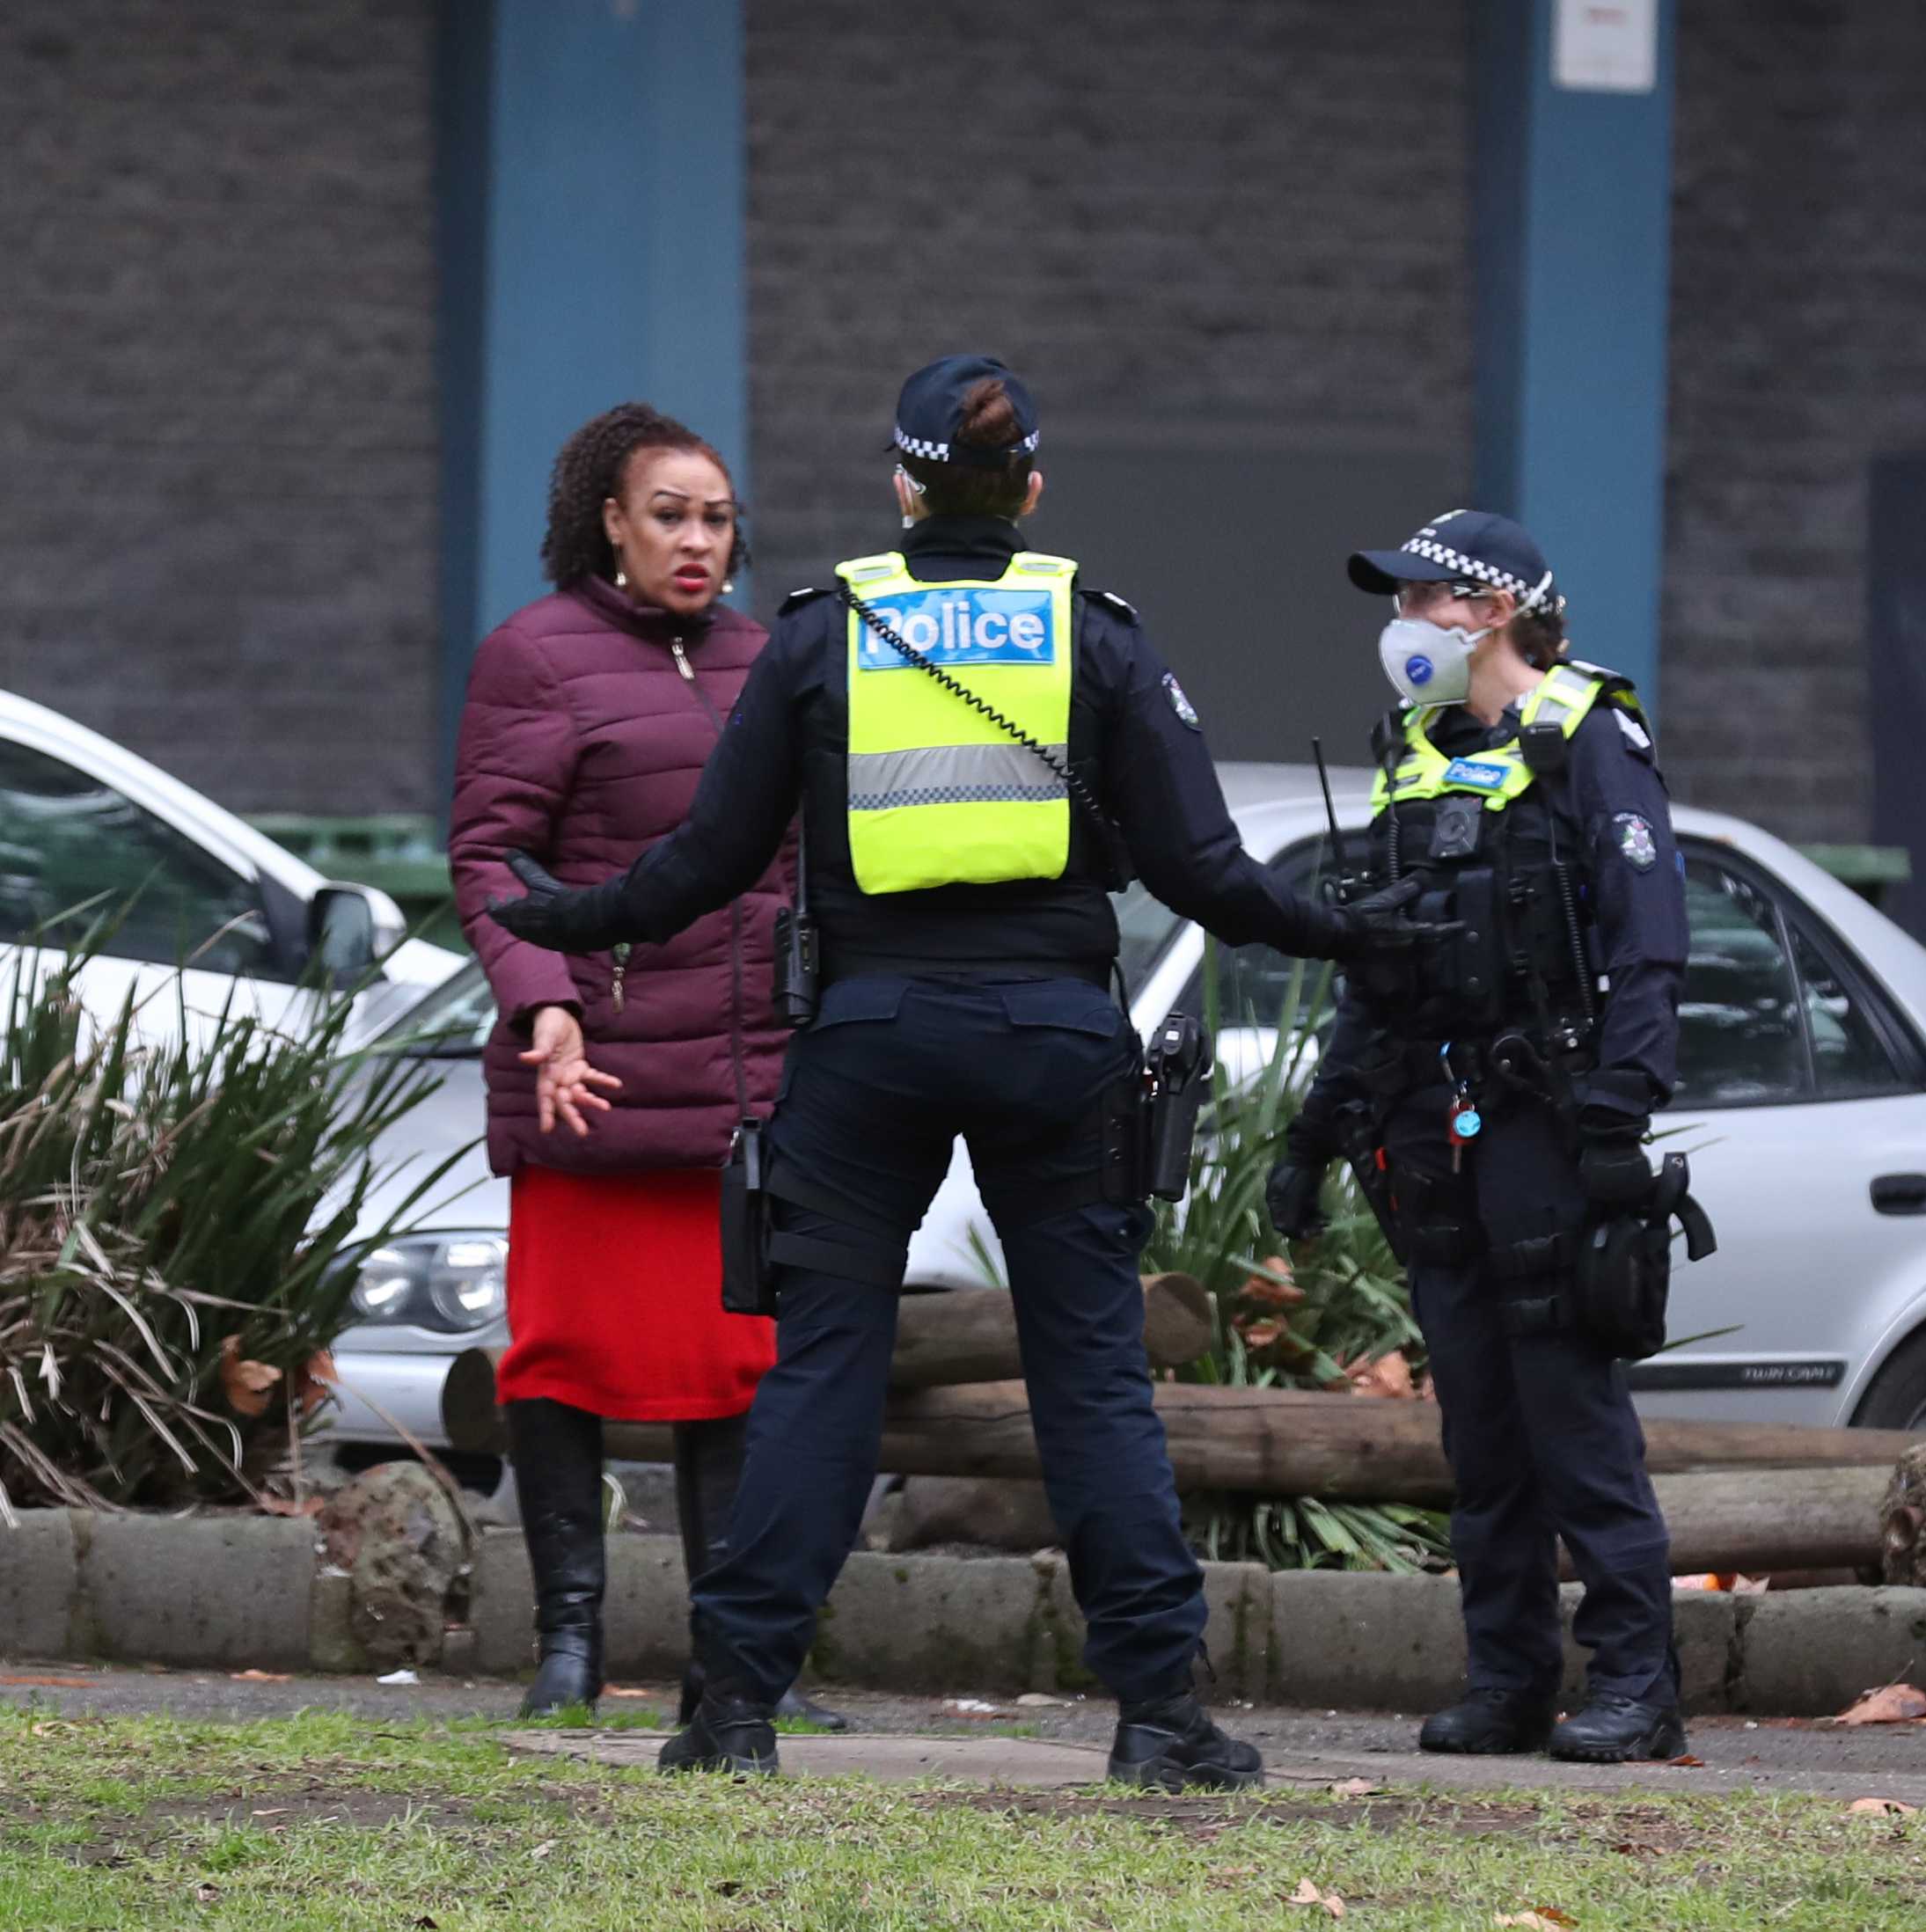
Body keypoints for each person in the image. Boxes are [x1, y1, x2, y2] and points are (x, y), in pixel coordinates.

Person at [485, 355, 1433, 1785]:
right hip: (1054, 1040)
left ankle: (731, 1710)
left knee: (819, 1375)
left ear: (904, 486)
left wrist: (567, 913)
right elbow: (1206, 874)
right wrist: (1362, 935)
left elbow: (703, 865)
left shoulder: (821, 632)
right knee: (1094, 1384)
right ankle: (1161, 1718)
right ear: (1032, 491)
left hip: (866, 1045)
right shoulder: (1096, 635)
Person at [1264, 510, 1694, 1764]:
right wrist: (1315, 1133)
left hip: (1548, 1125)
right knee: (1482, 1430)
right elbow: (1375, 968)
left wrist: (1619, 1114)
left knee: (1572, 1411)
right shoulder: (1412, 754)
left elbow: (1649, 943)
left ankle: (1636, 1682)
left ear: (1493, 611)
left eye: (1423, 600)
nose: (1402, 624)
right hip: (1431, 1129)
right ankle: (1509, 1677)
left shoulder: (1588, 739)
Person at [449, 403, 841, 1730]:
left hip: (742, 1082)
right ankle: (569, 1646)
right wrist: (542, 1010)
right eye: (668, 514)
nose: (696, 540)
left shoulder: (770, 658)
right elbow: (493, 860)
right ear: (608, 522)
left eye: (716, 518)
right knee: (560, 1356)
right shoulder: (535, 656)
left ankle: (731, 1667)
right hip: (593, 1070)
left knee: (737, 1368)